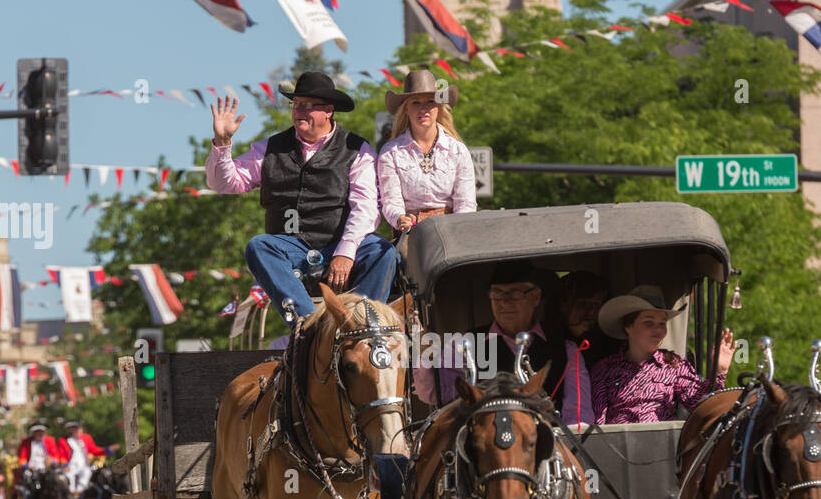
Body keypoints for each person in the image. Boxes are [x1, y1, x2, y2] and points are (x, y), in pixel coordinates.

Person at [206, 71, 397, 316]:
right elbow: (223, 183)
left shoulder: (357, 149)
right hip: (291, 247)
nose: (298, 111)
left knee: (383, 252)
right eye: (295, 105)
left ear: (328, 110)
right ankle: (307, 323)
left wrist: (345, 253)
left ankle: (361, 325)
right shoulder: (269, 149)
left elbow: (366, 208)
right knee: (259, 246)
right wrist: (222, 144)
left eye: (307, 106)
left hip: (339, 243)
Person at [414, 262, 594, 425]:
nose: (504, 302)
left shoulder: (566, 350)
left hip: (547, 450)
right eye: (497, 294)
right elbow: (432, 393)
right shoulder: (465, 343)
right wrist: (424, 354)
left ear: (536, 297)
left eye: (514, 294)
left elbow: (579, 417)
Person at [592, 285, 734, 424]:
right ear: (628, 326)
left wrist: (719, 371)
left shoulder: (674, 364)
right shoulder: (604, 368)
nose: (658, 331)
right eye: (649, 323)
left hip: (663, 445)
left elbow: (700, 405)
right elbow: (599, 423)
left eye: (662, 323)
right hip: (617, 445)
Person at [376, 69, 476, 246]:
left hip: (452, 229)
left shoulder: (458, 150)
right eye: (415, 103)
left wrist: (460, 231)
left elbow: (465, 202)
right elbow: (390, 200)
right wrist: (399, 218)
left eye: (430, 102)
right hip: (412, 232)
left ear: (439, 107)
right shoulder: (390, 152)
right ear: (406, 109)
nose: (423, 109)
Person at [552, 270, 614, 371]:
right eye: (583, 304)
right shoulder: (549, 343)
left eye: (597, 305)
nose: (590, 312)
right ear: (563, 304)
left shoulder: (606, 344)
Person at [60, 420, 113, 494]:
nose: (78, 431)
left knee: (87, 472)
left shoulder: (86, 438)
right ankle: (70, 493)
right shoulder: (64, 440)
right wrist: (65, 465)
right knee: (69, 475)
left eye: (79, 429)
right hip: (71, 466)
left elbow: (94, 450)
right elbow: (62, 455)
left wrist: (107, 450)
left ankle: (79, 492)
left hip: (84, 466)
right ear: (71, 430)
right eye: (75, 429)